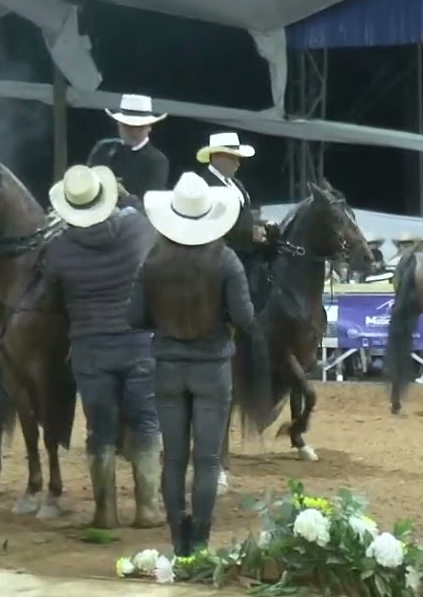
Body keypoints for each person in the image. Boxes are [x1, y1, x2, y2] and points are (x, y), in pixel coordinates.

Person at [127, 172, 272, 558]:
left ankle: (178, 540)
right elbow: (244, 318)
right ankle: (202, 540)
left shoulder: (153, 261)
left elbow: (134, 318)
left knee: (173, 459)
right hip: (212, 367)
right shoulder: (226, 260)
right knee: (206, 460)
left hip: (168, 366)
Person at [40, 164, 161, 530]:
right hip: (137, 342)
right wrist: (125, 198)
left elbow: (49, 297)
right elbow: (148, 219)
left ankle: (105, 511)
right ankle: (147, 509)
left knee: (100, 429)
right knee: (144, 423)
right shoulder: (137, 230)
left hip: (89, 347)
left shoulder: (60, 249)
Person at [197, 132, 275, 304]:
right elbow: (217, 224)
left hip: (246, 250)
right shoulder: (206, 184)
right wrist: (249, 234)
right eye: (234, 158)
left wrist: (259, 226)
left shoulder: (236, 184)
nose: (238, 163)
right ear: (218, 157)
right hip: (223, 255)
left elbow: (242, 216)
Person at [86, 94, 170, 198]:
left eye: (139, 127)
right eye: (127, 126)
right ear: (118, 125)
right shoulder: (103, 148)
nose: (133, 131)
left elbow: (150, 203)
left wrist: (125, 196)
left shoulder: (157, 160)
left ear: (149, 127)